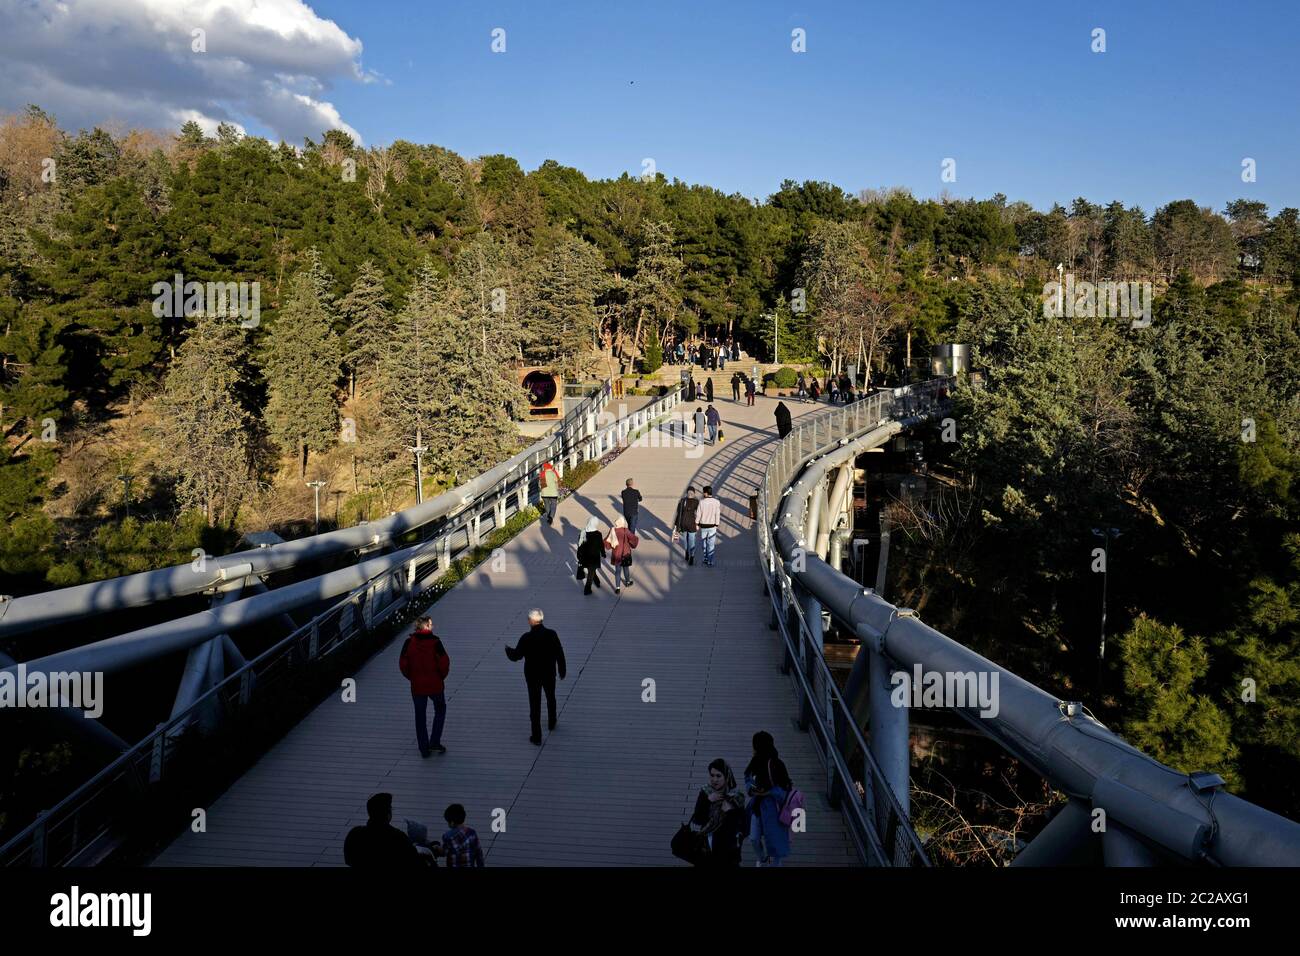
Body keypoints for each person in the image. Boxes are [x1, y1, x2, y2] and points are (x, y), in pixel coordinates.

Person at [505, 608, 567, 745]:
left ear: (532, 621)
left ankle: (536, 736)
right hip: (549, 673)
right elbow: (559, 653)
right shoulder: (552, 634)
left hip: (532, 676)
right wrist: (562, 670)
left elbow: (517, 656)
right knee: (551, 697)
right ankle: (552, 722)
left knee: (534, 704)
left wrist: (508, 651)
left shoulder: (526, 637)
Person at [398, 617, 450, 757]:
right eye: (431, 624)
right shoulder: (435, 643)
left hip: (417, 686)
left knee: (420, 716)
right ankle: (434, 742)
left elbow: (403, 665)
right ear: (426, 626)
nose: (433, 626)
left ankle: (424, 748)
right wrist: (440, 678)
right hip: (435, 685)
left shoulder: (408, 643)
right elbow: (444, 663)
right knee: (440, 709)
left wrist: (412, 677)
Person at [744, 731, 793, 866]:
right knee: (753, 838)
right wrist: (751, 789)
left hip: (774, 811)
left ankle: (776, 863)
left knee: (774, 842)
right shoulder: (754, 761)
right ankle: (762, 858)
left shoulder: (777, 765)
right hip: (757, 808)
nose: (752, 748)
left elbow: (785, 791)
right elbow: (747, 777)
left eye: (754, 745)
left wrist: (767, 792)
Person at [688, 759, 746, 867]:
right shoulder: (705, 793)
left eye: (719, 776)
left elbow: (744, 825)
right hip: (706, 848)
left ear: (726, 776)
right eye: (712, 775)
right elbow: (698, 819)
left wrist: (729, 812)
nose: (715, 779)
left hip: (729, 851)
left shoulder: (736, 797)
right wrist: (708, 801)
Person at [344, 793, 424, 868]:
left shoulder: (355, 834)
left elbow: (348, 860)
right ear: (388, 814)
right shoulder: (398, 837)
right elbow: (414, 861)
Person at [437, 804, 485, 868]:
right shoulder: (472, 833)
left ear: (452, 822)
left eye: (448, 822)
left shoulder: (447, 836)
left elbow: (444, 852)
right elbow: (479, 854)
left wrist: (437, 848)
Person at [576, 516, 607, 595]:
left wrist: (579, 556)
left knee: (591, 570)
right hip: (594, 557)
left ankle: (596, 581)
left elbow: (580, 545)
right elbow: (601, 545)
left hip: (584, 557)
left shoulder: (583, 532)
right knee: (591, 572)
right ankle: (587, 589)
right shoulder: (598, 534)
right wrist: (603, 553)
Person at [608, 515, 639, 593]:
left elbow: (608, 542)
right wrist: (634, 543)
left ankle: (617, 588)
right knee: (626, 569)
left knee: (617, 571)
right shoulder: (625, 530)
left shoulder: (613, 530)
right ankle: (628, 582)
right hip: (625, 554)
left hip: (616, 554)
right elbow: (633, 539)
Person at [673, 485, 699, 565]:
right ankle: (692, 556)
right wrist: (698, 523)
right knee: (692, 541)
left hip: (683, 523)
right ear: (694, 493)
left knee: (685, 540)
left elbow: (678, 513)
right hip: (692, 524)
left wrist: (676, 524)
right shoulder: (696, 501)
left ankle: (687, 553)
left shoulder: (682, 500)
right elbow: (698, 513)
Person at [697, 485, 721, 567]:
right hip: (713, 526)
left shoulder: (701, 502)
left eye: (704, 492)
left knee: (704, 542)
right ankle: (710, 560)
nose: (703, 494)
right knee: (711, 544)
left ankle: (705, 557)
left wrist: (696, 523)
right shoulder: (716, 502)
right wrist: (717, 524)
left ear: (706, 493)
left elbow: (698, 514)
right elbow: (717, 514)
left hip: (703, 526)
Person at [539, 461, 561, 526]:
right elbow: (557, 481)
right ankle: (551, 517)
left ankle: (549, 517)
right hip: (553, 493)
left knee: (547, 504)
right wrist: (557, 489)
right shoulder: (553, 473)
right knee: (553, 505)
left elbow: (540, 485)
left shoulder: (542, 474)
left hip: (544, 493)